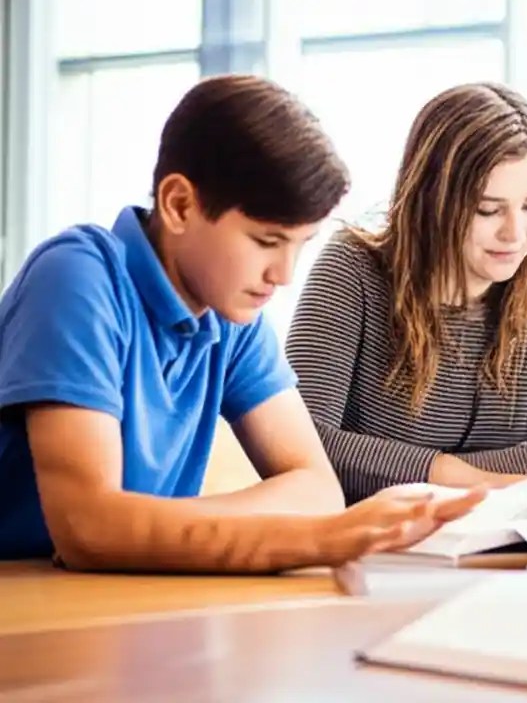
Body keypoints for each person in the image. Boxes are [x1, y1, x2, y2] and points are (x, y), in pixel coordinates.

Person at [0, 74, 484, 570]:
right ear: (179, 205)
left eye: (301, 244)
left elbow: (317, 489)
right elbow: (90, 528)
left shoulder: (230, 311)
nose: (284, 274)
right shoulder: (77, 278)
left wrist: (149, 527)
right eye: (266, 241)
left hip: (110, 596)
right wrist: (320, 540)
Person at [285, 82, 527, 504]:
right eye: (487, 210)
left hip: (506, 544)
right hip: (372, 536)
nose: (514, 234)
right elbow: (303, 443)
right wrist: (452, 475)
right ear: (431, 200)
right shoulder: (352, 266)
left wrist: (408, 470)